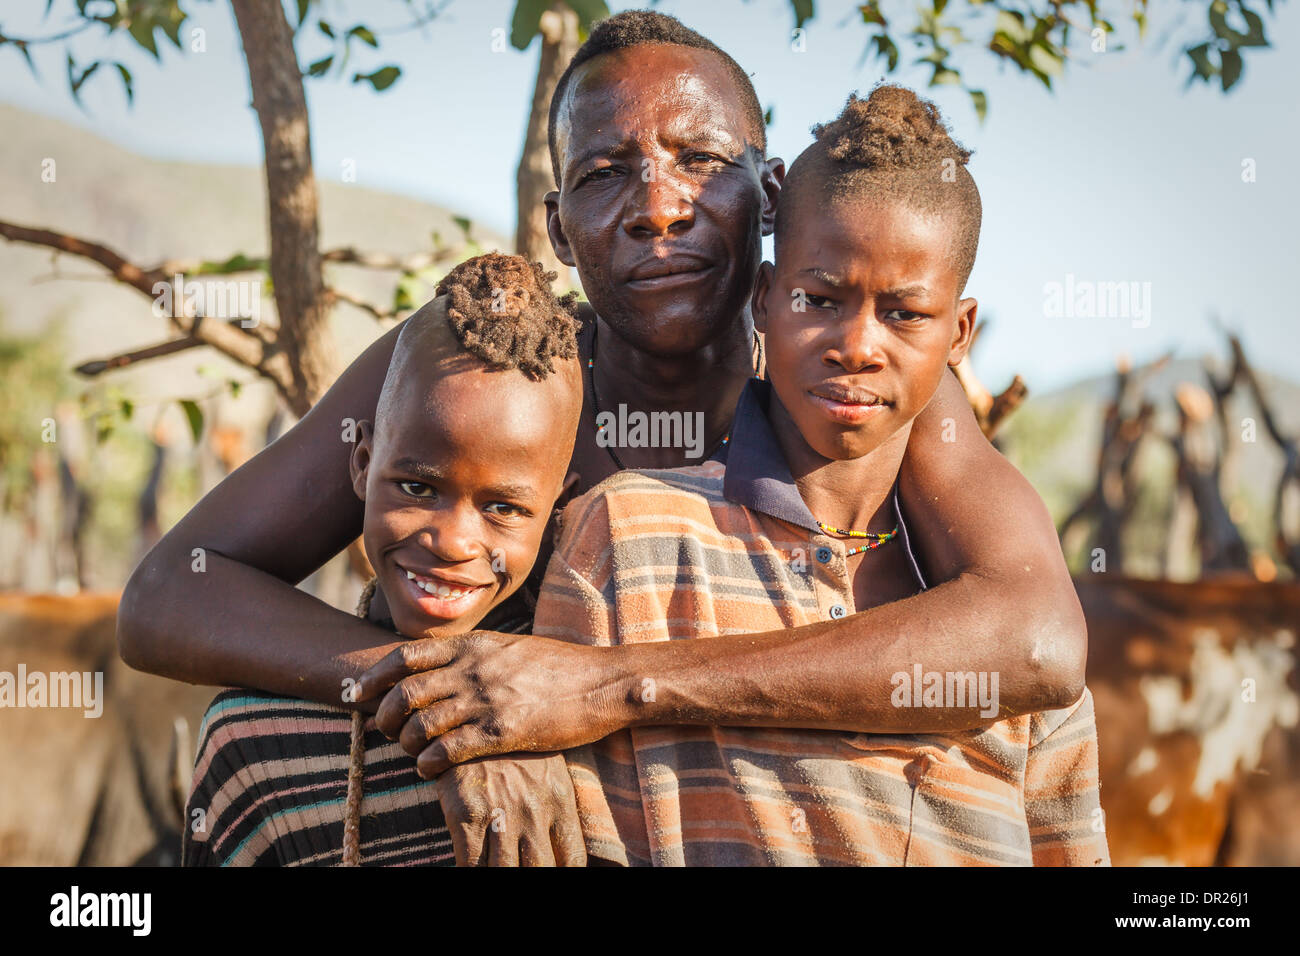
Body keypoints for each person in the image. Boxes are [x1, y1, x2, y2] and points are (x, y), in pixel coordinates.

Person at [121, 11, 1087, 864]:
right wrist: (455, 708)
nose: (659, 208)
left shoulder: (853, 381)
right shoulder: (479, 373)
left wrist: (603, 688)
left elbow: (1038, 638)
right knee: (243, 740)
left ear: (769, 194)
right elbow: (173, 592)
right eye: (603, 174)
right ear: (557, 228)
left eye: (701, 161)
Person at [523, 86, 1110, 866]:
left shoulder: (1001, 623)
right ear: (765, 299)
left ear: (959, 333)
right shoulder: (629, 541)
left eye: (904, 314)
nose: (857, 346)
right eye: (820, 299)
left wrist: (629, 684)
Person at [183, 254, 587, 865]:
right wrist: (444, 698)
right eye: (418, 488)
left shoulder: (589, 743)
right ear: (362, 465)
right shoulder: (252, 742)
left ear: (557, 509)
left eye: (503, 507)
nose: (453, 543)